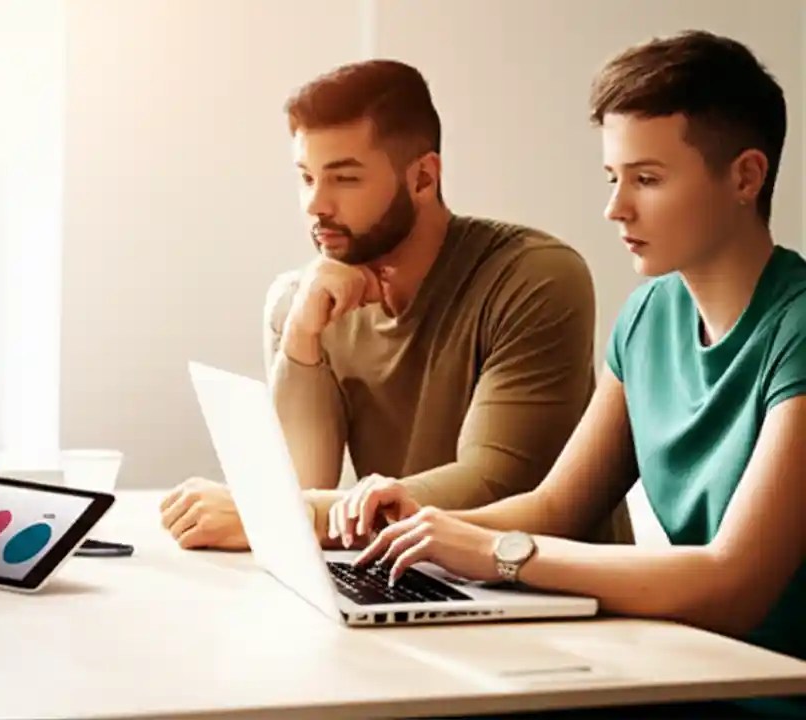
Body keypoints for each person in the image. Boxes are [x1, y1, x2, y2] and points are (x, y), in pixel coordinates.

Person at [336, 31, 804, 718]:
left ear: (744, 177)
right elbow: (559, 507)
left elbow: (733, 584)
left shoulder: (795, 328)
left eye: (647, 179)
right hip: (682, 671)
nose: (616, 209)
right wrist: (427, 526)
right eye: (613, 179)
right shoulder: (648, 316)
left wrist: (494, 550)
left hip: (768, 693)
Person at [159, 59, 631, 551]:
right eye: (306, 177)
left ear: (423, 178)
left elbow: (498, 484)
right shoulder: (302, 300)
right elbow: (301, 488)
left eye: (344, 179)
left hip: (558, 600)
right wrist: (302, 339)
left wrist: (269, 514)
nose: (316, 205)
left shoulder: (533, 278)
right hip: (410, 578)